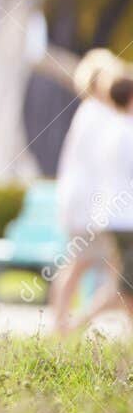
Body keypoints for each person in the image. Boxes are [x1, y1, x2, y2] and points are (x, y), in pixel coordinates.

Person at [51, 50, 132, 334]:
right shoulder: (99, 116)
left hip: (100, 208)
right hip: (92, 207)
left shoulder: (101, 116)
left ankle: (73, 324)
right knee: (85, 264)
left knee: (113, 273)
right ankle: (66, 324)